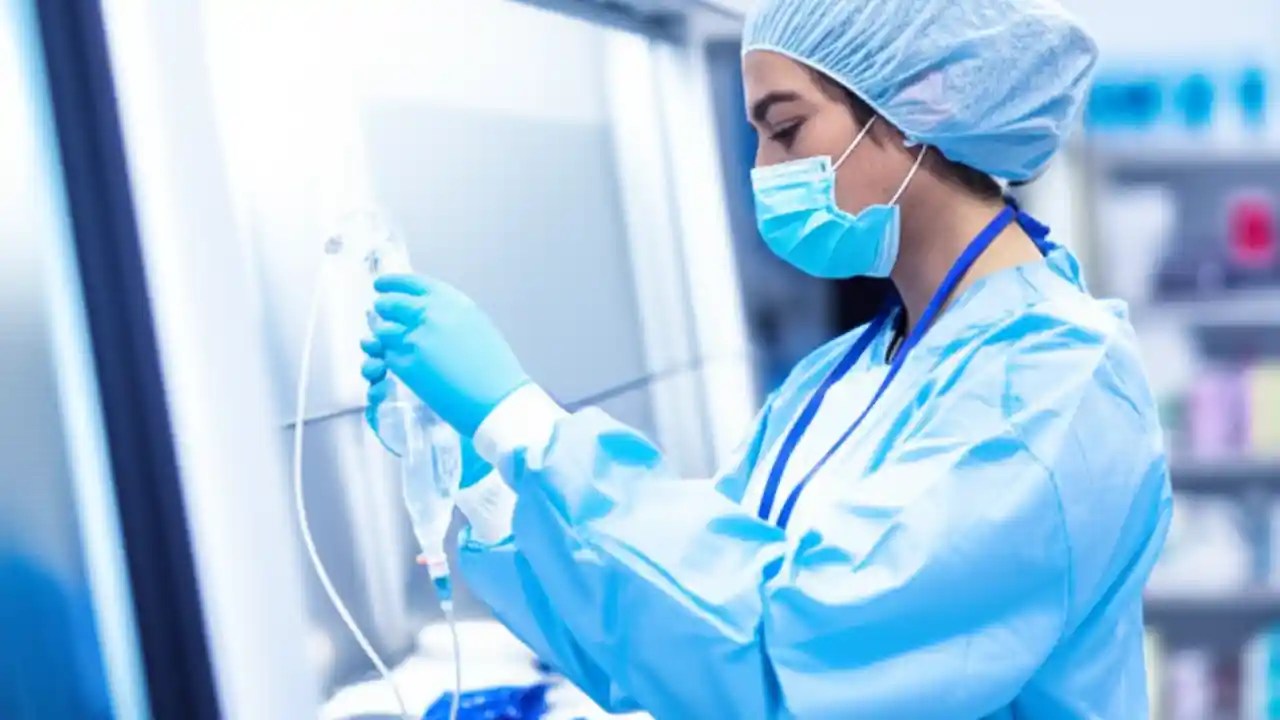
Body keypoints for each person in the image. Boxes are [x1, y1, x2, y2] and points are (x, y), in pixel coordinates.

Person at [359, 0, 1172, 716]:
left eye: (786, 130)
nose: (764, 172)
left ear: (916, 108)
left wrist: (523, 423)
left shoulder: (1056, 386)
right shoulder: (847, 376)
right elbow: (685, 635)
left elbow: (790, 657)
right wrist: (487, 477)